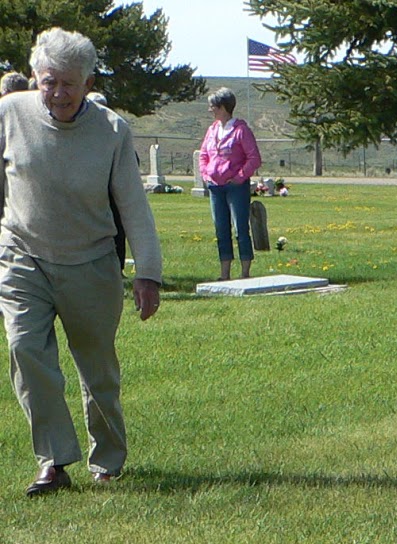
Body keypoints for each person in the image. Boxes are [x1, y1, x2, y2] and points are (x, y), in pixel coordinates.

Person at [0, 28, 161, 496]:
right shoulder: (9, 114)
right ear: (35, 77)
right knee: (26, 350)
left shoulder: (111, 130)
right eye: (49, 81)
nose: (59, 93)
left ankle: (107, 460)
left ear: (89, 83)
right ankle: (53, 460)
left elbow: (133, 206)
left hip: (90, 262)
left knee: (98, 368)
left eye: (70, 83)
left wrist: (147, 272)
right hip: (22, 255)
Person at [197, 87, 260, 282]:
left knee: (240, 228)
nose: (211, 110)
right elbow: (203, 155)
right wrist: (206, 174)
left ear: (223, 107)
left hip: (236, 187)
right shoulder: (212, 129)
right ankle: (224, 273)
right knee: (220, 229)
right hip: (215, 187)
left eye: (213, 107)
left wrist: (239, 177)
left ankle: (245, 273)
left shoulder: (241, 130)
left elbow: (254, 158)